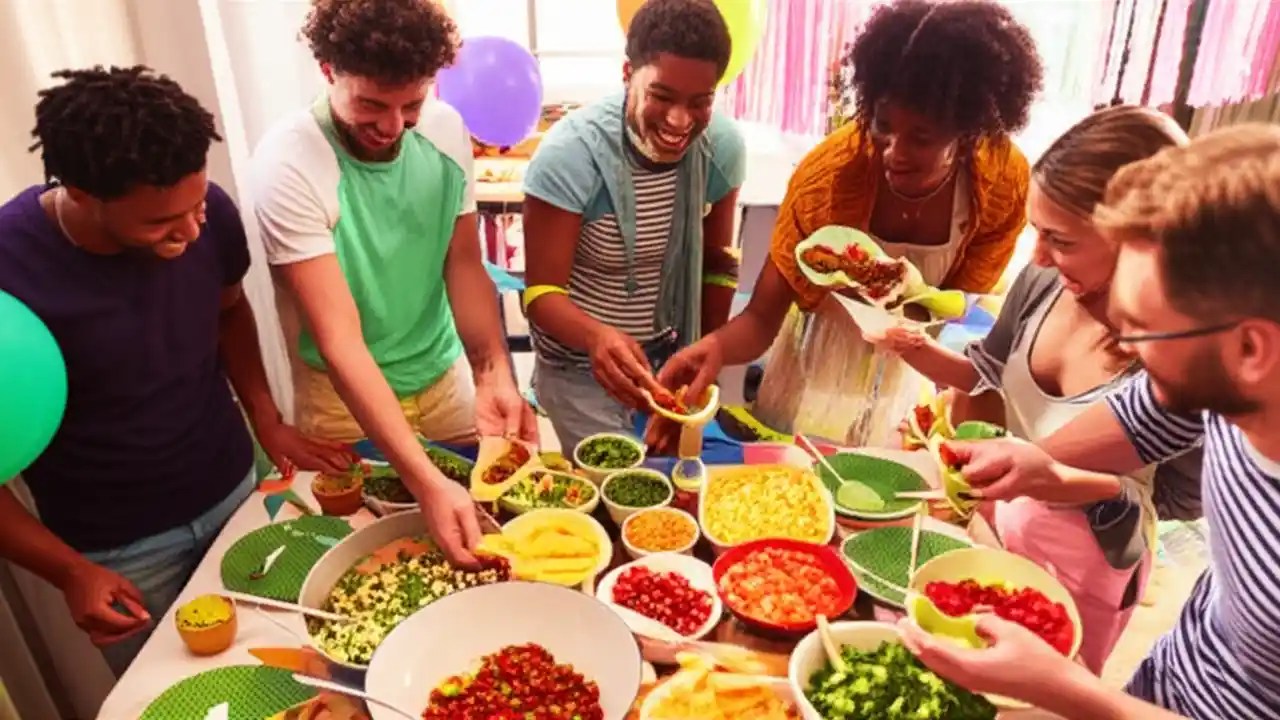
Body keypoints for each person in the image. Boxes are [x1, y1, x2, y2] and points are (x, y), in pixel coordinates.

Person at [903, 124, 1280, 720]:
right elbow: (1144, 416)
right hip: (1170, 682)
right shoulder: (1232, 380)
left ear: (1251, 350)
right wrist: (1034, 459)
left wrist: (1068, 690)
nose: (1121, 344)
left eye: (1141, 330)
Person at [0, 66, 348, 676]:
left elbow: (230, 309)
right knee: (177, 696)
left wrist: (268, 420)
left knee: (291, 675)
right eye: (160, 223)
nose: (190, 231)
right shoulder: (10, 264)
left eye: (197, 208)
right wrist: (70, 571)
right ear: (81, 193)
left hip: (236, 489)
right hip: (117, 549)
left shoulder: (206, 210)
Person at [865, 106, 1202, 672]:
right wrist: (919, 355)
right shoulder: (1045, 281)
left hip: (1091, 563)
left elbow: (1168, 498)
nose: (1039, 257)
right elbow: (988, 375)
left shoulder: (1183, 348)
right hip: (1003, 523)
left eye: (1061, 240)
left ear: (1141, 238)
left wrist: (1057, 479)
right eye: (1036, 233)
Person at [651, 0, 1043, 452]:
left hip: (905, 377)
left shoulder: (1002, 183)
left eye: (922, 137)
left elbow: (957, 299)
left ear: (966, 134)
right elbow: (761, 317)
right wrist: (715, 348)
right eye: (882, 126)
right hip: (810, 377)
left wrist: (903, 321)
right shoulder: (828, 179)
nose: (894, 151)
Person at [251, 0, 534, 566]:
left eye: (412, 104)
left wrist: (493, 370)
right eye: (371, 105)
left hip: (442, 375)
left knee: (485, 534)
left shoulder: (446, 130)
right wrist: (425, 481)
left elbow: (462, 265)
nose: (392, 126)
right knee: (365, 560)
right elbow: (340, 340)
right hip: (341, 403)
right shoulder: (287, 163)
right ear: (329, 71)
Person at [522, 0, 745, 452]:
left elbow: (717, 267)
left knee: (685, 489)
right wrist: (596, 337)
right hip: (578, 367)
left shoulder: (721, 148)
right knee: (622, 490)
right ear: (628, 74)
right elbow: (541, 297)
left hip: (672, 356)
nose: (680, 121)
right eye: (661, 96)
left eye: (700, 102)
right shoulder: (570, 154)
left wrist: (695, 375)